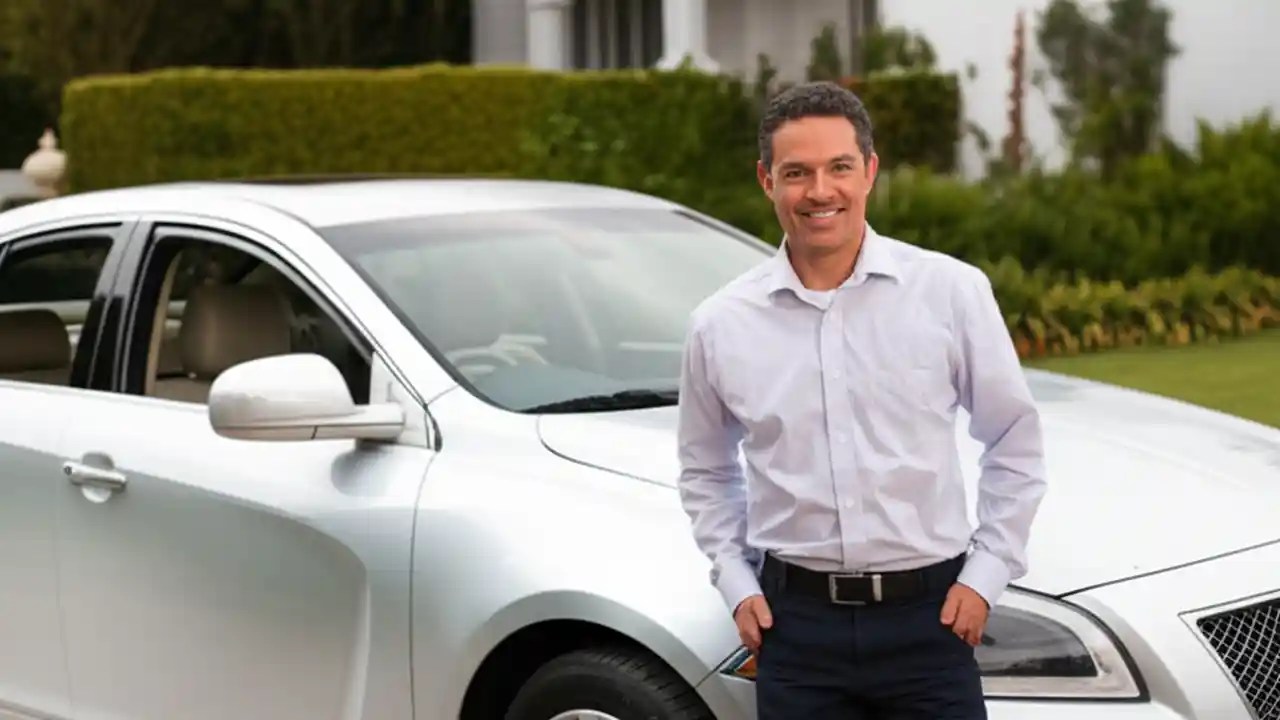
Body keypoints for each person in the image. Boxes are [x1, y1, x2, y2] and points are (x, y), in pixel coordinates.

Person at [676, 81, 1048, 719]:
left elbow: (1013, 437)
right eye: (797, 172)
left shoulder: (951, 293)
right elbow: (706, 471)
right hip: (796, 634)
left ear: (870, 172)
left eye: (839, 168)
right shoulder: (720, 323)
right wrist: (737, 584)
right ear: (766, 180)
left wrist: (986, 576)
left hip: (931, 624)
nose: (820, 191)